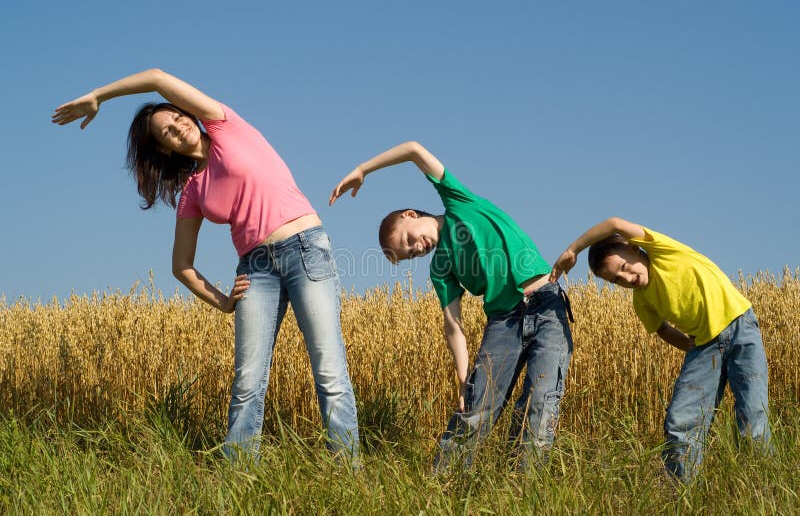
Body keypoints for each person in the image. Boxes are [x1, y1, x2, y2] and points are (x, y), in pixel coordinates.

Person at [52, 68, 359, 463]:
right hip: (255, 270)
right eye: (166, 132)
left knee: (328, 368)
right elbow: (181, 266)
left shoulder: (226, 125)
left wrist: (98, 95)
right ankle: (239, 475)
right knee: (247, 380)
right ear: (165, 149)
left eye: (177, 116)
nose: (178, 126)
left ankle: (346, 470)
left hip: (304, 248)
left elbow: (157, 78)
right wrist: (222, 301)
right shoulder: (192, 192)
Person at [329, 141, 573, 470]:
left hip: (547, 306)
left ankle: (525, 487)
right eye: (410, 254)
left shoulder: (458, 202)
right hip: (504, 323)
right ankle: (442, 485)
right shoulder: (440, 268)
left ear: (410, 215)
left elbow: (413, 150)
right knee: (474, 408)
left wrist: (363, 169)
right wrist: (462, 378)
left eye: (409, 240)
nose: (416, 249)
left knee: (540, 403)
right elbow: (453, 327)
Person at [549, 216, 772, 483]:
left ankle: (762, 484)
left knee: (752, 415)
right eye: (616, 280)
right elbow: (662, 330)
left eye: (624, 267)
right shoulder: (642, 301)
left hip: (740, 327)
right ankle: (683, 493)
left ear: (634, 248)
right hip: (704, 347)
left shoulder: (662, 251)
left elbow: (614, 223)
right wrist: (689, 346)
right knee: (680, 420)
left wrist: (573, 249)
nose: (626, 278)